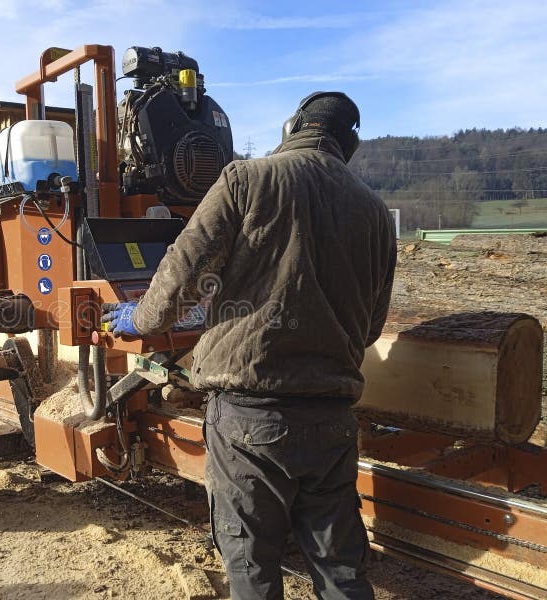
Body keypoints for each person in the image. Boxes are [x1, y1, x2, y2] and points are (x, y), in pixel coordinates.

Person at [102, 91, 396, 599]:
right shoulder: (373, 211)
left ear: (293, 126)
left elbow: (180, 275)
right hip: (331, 419)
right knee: (341, 570)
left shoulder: (245, 179)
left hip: (249, 418)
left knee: (252, 566)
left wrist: (141, 319)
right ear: (349, 144)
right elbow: (369, 327)